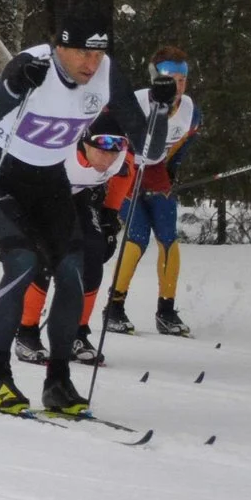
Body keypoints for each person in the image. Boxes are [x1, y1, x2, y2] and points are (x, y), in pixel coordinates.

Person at [0, 8, 149, 416]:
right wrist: (10, 90)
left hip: (48, 179)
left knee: (72, 270)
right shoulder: (32, 66)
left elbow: (147, 147)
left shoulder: (106, 74)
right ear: (59, 47)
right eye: (82, 53)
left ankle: (58, 381)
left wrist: (159, 117)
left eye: (98, 54)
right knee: (23, 262)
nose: (91, 64)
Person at [13, 130, 135, 366]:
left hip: (80, 195)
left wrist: (110, 216)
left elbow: (123, 178)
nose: (108, 159)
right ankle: (27, 333)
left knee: (93, 253)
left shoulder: (120, 156)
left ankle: (77, 335)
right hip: (39, 195)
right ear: (84, 143)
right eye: (101, 151)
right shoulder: (63, 151)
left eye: (114, 153)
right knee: (43, 257)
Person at [106, 47, 199, 337]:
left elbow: (184, 141)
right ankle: (114, 307)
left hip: (157, 172)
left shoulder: (190, 109)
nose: (178, 85)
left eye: (182, 78)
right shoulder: (134, 102)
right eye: (171, 78)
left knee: (169, 239)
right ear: (156, 77)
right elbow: (108, 138)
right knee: (137, 238)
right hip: (127, 169)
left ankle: (166, 311)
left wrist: (171, 170)